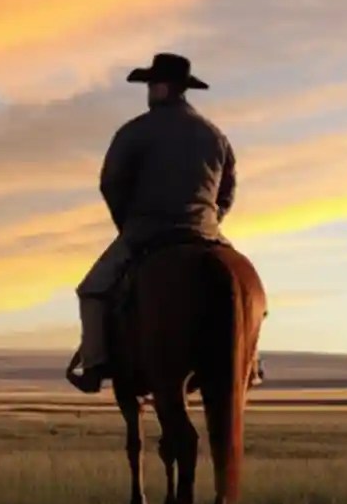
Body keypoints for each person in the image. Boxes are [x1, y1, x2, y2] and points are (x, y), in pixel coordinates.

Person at [69, 52, 237, 394]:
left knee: (92, 290)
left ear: (162, 88)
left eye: (152, 84)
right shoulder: (215, 136)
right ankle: (250, 363)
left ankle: (95, 364)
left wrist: (127, 224)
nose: (149, 90)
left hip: (148, 231)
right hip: (206, 233)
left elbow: (111, 183)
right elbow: (228, 190)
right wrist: (211, 219)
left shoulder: (135, 131)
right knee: (242, 290)